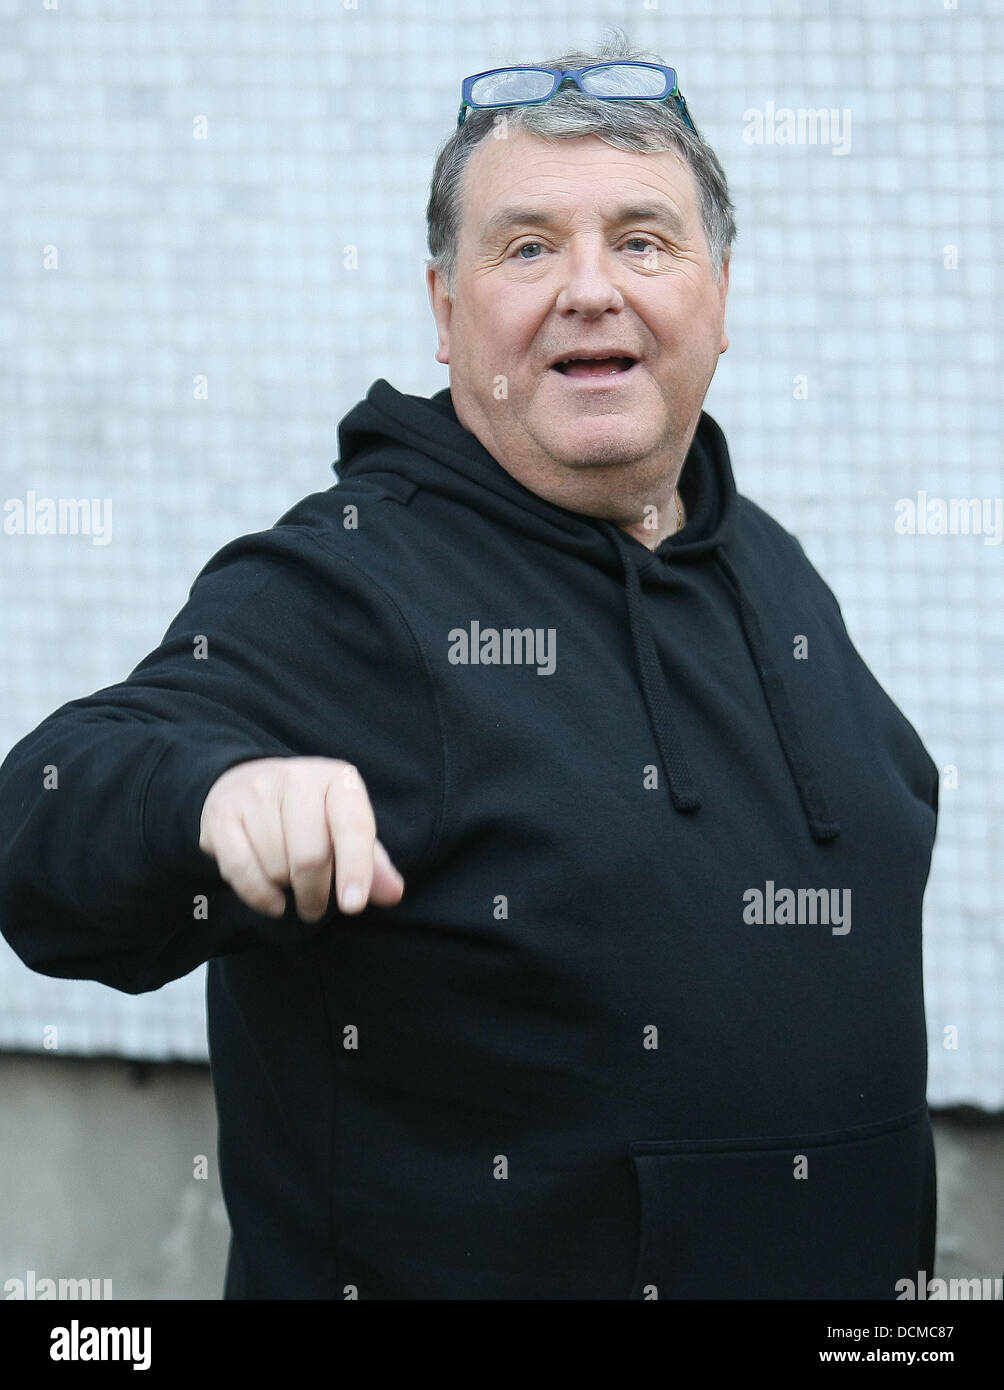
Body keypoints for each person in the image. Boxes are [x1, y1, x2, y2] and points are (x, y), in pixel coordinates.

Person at [0, 34, 939, 1300]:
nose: (590, 288)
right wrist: (208, 798)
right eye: (527, 245)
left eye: (643, 240)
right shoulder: (354, 583)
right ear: (447, 314)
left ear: (718, 292)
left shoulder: (759, 561)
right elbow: (45, 805)